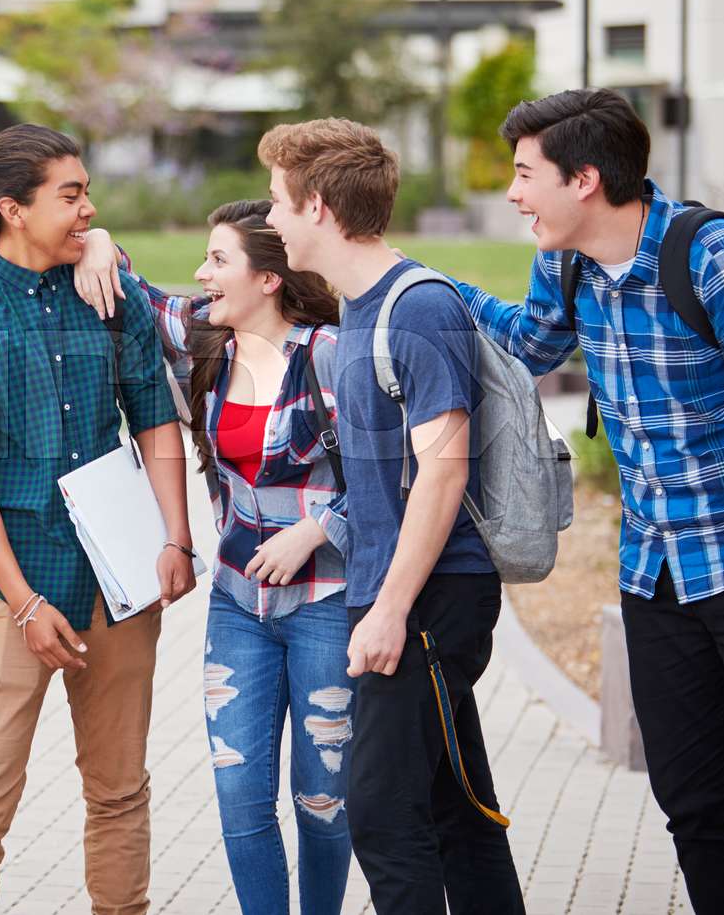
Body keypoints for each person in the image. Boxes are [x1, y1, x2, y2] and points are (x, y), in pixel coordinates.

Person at [444, 89, 724, 915]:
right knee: (696, 806)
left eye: (526, 174)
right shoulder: (566, 264)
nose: (513, 194)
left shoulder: (717, 262)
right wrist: (423, 285)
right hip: (654, 577)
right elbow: (526, 345)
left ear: (586, 179)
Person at [0, 123, 195, 914]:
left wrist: (176, 536)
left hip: (118, 585)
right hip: (16, 594)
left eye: (86, 193)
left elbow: (153, 418)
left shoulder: (107, 297)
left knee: (119, 792)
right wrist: (24, 602)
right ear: (14, 209)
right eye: (70, 195)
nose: (89, 207)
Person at [259, 118, 525, 914]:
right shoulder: (361, 310)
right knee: (457, 809)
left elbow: (443, 471)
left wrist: (391, 609)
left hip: (430, 597)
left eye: (277, 201)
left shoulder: (417, 307)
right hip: (406, 592)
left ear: (317, 207)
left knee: (380, 813)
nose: (269, 219)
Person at [74, 199, 354, 915]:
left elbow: (395, 477)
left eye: (220, 260)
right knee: (239, 794)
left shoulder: (330, 354)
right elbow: (136, 292)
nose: (202, 273)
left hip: (328, 608)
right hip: (238, 606)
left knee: (323, 800)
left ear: (269, 279)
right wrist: (101, 235)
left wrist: (320, 528)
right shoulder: (208, 344)